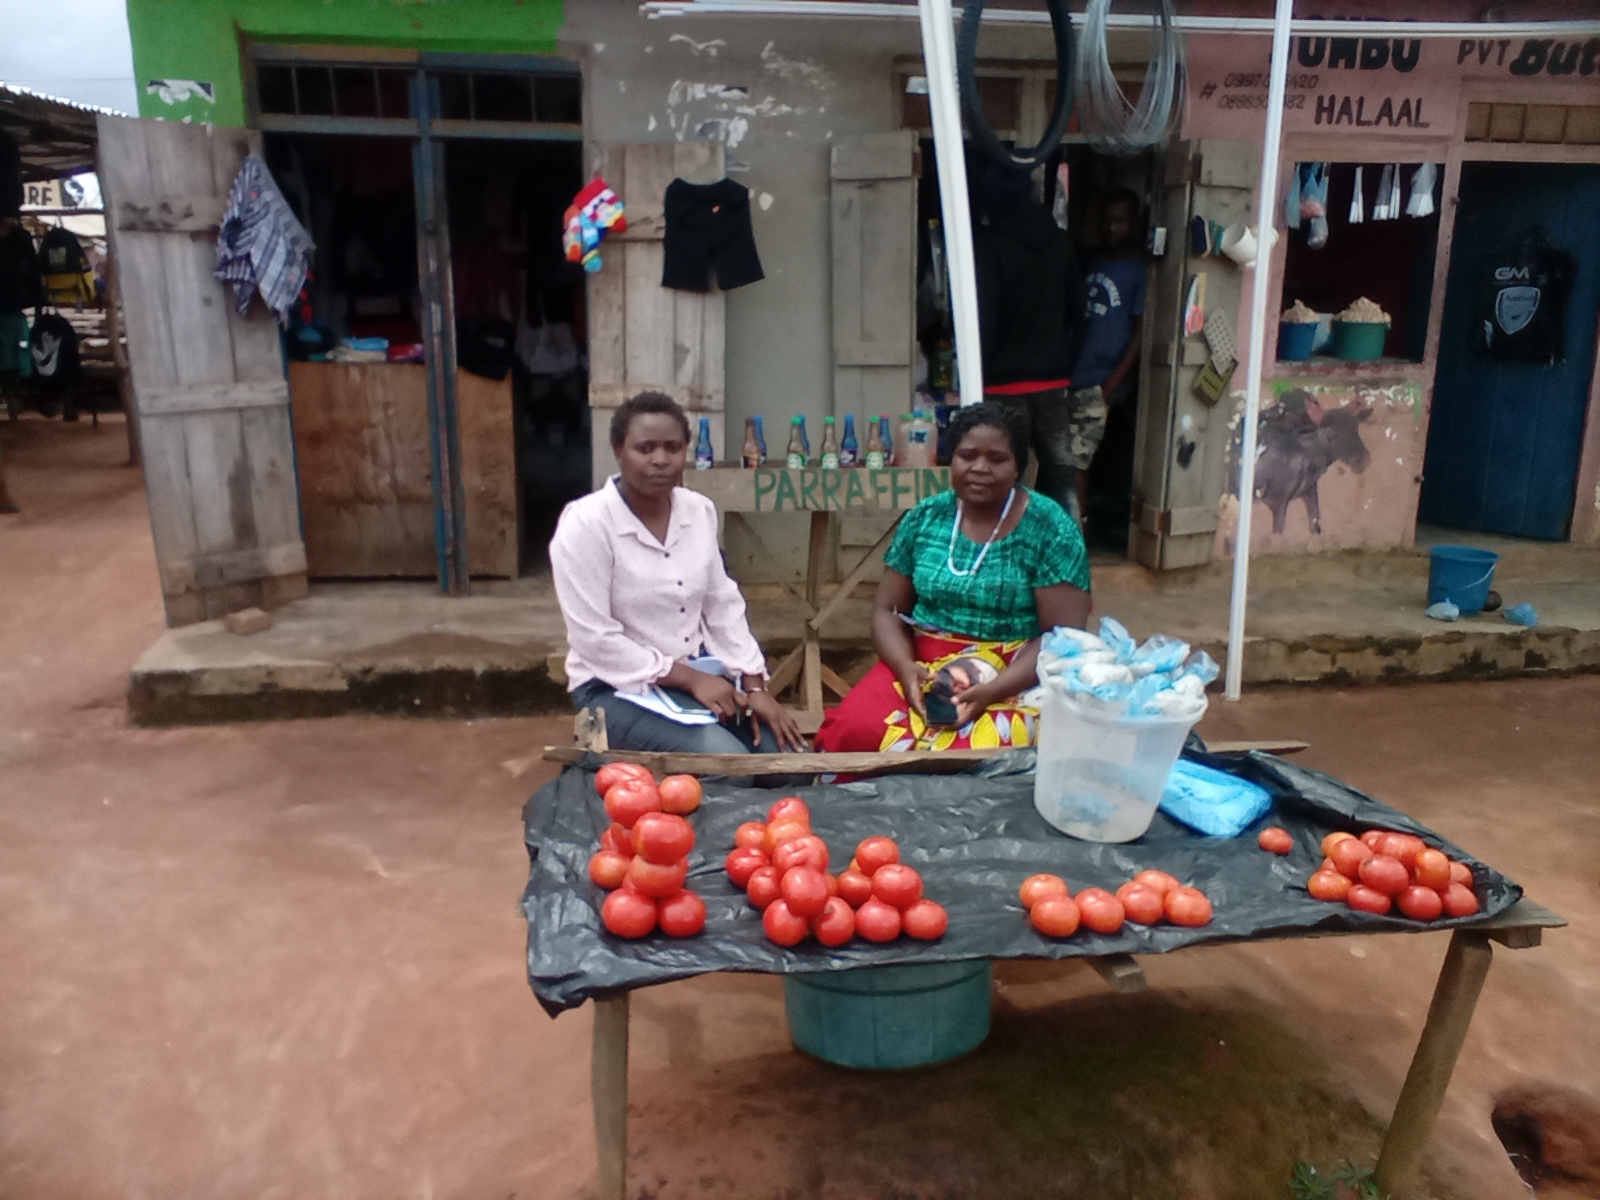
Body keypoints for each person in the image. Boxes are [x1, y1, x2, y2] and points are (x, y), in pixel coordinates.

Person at [814, 403, 1092, 754]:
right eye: (968, 455)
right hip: (922, 664)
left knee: (976, 750)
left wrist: (992, 690)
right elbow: (887, 611)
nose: (980, 468)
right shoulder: (926, 517)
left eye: (997, 458)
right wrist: (904, 668)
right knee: (854, 730)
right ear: (951, 460)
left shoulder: (1050, 528)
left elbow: (1062, 638)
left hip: (1018, 673)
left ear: (1019, 465)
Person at [550, 391, 805, 755]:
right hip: (612, 687)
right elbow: (595, 639)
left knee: (784, 758)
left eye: (672, 448)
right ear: (618, 450)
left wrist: (755, 688)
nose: (660, 460)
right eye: (645, 448)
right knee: (728, 763)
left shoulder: (698, 511)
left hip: (694, 676)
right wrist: (692, 681)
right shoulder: (586, 524)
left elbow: (722, 604)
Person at [969, 158, 1087, 518]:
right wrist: (1068, 365)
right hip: (1052, 380)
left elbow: (984, 320)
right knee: (1060, 474)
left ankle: (1010, 558)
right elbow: (1079, 315)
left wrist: (978, 374)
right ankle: (1068, 561)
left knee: (1004, 479)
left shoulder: (988, 246)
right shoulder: (1061, 244)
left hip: (1003, 384)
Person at [1069, 187, 1146, 522]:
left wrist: (1112, 383)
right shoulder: (1090, 260)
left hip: (1106, 382)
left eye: (1121, 221)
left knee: (1076, 461)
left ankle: (1079, 535)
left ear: (1134, 224)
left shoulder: (1140, 269)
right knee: (1071, 460)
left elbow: (1141, 331)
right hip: (1075, 375)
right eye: (1108, 220)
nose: (1113, 228)